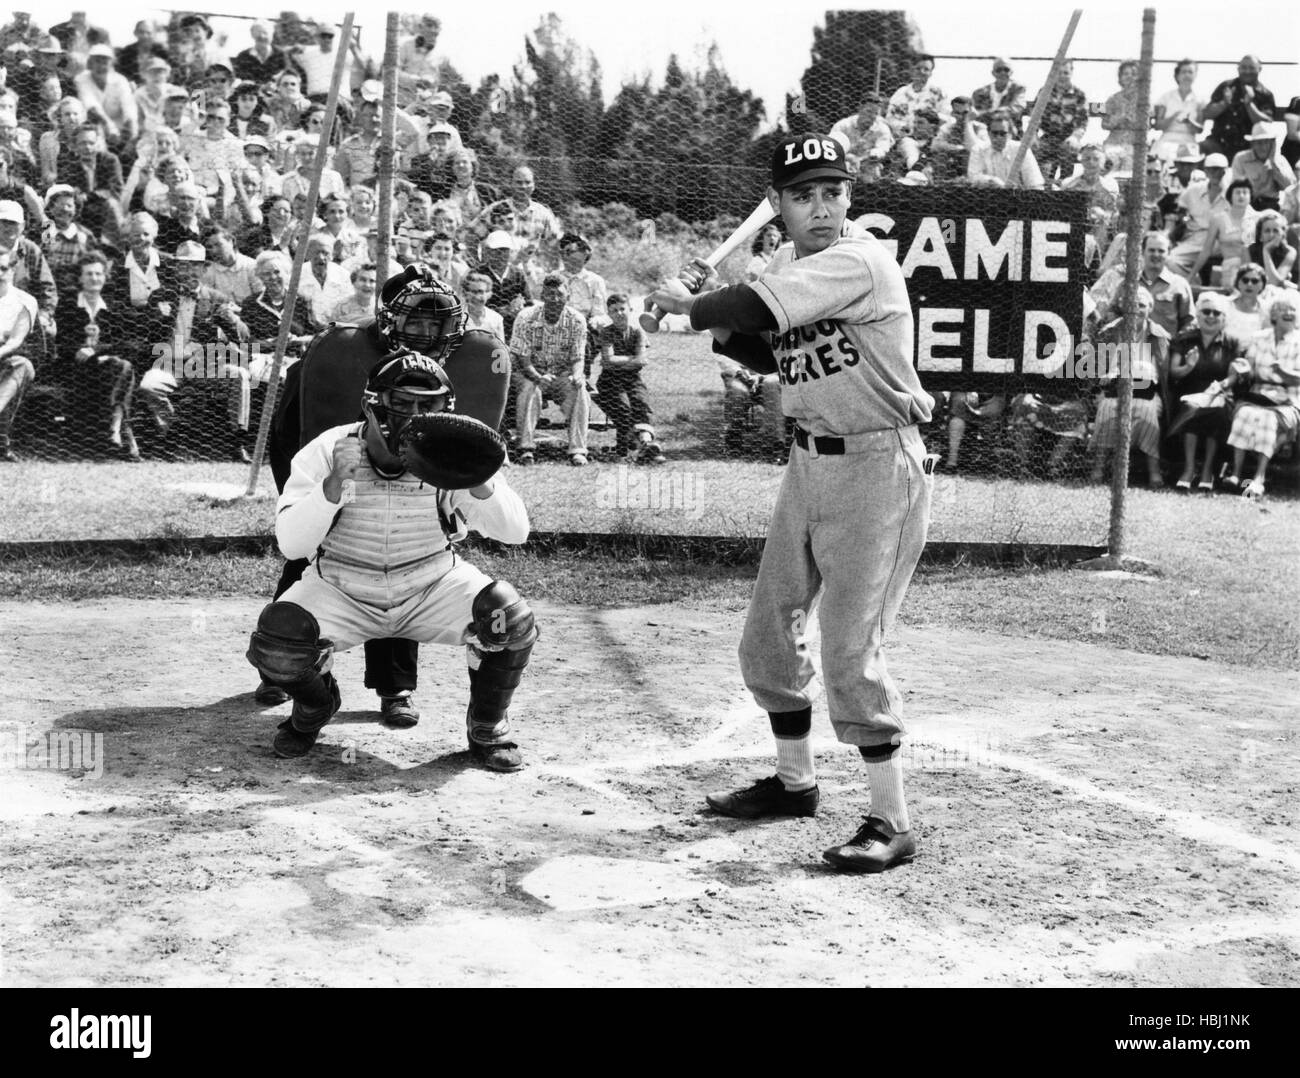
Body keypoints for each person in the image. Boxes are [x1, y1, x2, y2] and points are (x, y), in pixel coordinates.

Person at [647, 132, 934, 874]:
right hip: (807, 464)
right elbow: (768, 349)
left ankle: (892, 820)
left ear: (850, 198)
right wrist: (709, 318)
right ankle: (795, 782)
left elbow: (747, 304)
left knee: (847, 646)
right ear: (776, 205)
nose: (821, 206)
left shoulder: (861, 256)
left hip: (877, 465)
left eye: (833, 191)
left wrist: (696, 303)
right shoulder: (788, 266)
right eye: (803, 194)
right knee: (767, 639)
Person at [260, 266, 514, 737]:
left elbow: (511, 522)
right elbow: (289, 431)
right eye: (416, 321)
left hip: (416, 502)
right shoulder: (339, 352)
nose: (426, 332)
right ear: (389, 320)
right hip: (333, 470)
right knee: (308, 561)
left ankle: (395, 688)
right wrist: (322, 492)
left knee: (405, 559)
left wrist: (475, 484)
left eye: (436, 324)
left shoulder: (456, 372)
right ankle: (294, 673)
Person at [53, 251, 138, 459]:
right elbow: (58, 343)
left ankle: (114, 430)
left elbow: (129, 342)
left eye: (99, 274)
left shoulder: (113, 308)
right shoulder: (67, 305)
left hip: (108, 368)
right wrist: (80, 351)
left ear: (105, 277)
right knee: (124, 369)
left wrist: (98, 352)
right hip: (73, 369)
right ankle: (121, 433)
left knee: (122, 366)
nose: (94, 278)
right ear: (80, 278)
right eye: (89, 274)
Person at [1087, 285, 1168, 488]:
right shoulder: (1110, 331)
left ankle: (1154, 471)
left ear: (1150, 308)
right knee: (1107, 409)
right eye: (1131, 304)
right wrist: (1106, 376)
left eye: (1141, 305)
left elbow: (1164, 373)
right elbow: (1096, 368)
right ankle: (1098, 468)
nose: (1136, 309)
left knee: (1146, 412)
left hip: (1148, 392)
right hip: (1114, 391)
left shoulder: (1159, 335)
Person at [1221, 293, 1300, 498]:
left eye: (1292, 310)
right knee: (1244, 414)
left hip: (1288, 400)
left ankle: (1259, 478)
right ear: (1273, 314)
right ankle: (1236, 475)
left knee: (1267, 419)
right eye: (1283, 309)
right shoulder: (1259, 338)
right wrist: (1241, 369)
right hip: (1257, 395)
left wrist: (1282, 373)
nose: (1289, 313)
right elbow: (1250, 371)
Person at [510, 273, 591, 466]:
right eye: (550, 294)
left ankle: (578, 450)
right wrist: (538, 377)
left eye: (560, 294)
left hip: (561, 374)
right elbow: (523, 358)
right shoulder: (526, 317)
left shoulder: (577, 320)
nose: (555, 299)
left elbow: (578, 356)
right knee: (529, 390)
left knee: (579, 390)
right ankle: (526, 448)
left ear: (568, 296)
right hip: (529, 372)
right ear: (542, 295)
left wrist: (578, 375)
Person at [1167, 291, 1243, 491]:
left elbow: (1235, 375)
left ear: (1223, 318)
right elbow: (1174, 372)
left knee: (1216, 412)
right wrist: (1188, 367)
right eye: (1206, 312)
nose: (1211, 316)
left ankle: (1208, 469)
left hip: (1219, 394)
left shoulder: (1232, 343)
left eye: (1216, 313)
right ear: (1198, 316)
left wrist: (1221, 386)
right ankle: (1190, 468)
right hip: (1188, 392)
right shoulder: (1184, 339)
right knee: (1193, 407)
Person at [595, 291, 664, 463]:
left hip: (633, 379)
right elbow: (608, 360)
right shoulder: (607, 332)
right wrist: (632, 359)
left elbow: (641, 361)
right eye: (614, 310)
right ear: (609, 313)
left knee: (641, 403)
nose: (619, 313)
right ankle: (632, 449)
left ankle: (647, 444)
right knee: (623, 407)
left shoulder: (637, 332)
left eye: (622, 309)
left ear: (630, 310)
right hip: (609, 380)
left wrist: (620, 361)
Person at [1092, 230, 1194, 339]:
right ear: (1142, 252)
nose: (1156, 254)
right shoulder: (1127, 283)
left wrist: (1177, 350)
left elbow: (1189, 323)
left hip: (1162, 350)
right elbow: (1112, 313)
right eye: (1151, 250)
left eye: (1161, 251)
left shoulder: (1179, 285)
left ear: (1168, 253)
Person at [1202, 55, 1276, 161]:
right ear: (1238, 68)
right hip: (1218, 143)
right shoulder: (1226, 86)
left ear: (1259, 69)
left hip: (1249, 147)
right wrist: (1224, 103)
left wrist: (1249, 105)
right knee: (1202, 147)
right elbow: (1207, 114)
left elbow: (1266, 123)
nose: (1247, 71)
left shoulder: (1265, 94)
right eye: (1244, 67)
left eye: (1251, 68)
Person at [0, 245, 36, 462]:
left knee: (22, 366)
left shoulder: (25, 301)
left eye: (3, 268)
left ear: (13, 269)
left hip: (5, 359)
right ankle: (2, 445)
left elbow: (15, 340)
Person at [1190, 178, 1261, 288]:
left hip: (1254, 269)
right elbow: (1206, 251)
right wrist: (1191, 276)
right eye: (1237, 192)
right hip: (1229, 267)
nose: (1241, 196)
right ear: (1230, 196)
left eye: (1245, 192)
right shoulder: (1218, 219)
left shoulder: (1258, 219)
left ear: (1250, 196)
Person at [1029, 60, 1088, 185]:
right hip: (1048, 137)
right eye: (1058, 73)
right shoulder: (1044, 92)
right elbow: (1034, 117)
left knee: (1069, 149)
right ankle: (1041, 185)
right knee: (1035, 151)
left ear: (1071, 73)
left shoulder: (1079, 95)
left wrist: (1075, 137)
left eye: (1065, 73)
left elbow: (1082, 122)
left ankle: (1065, 185)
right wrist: (1033, 136)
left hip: (1068, 138)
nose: (1062, 76)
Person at [966, 109, 1044, 189]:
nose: (998, 138)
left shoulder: (1022, 150)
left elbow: (1035, 183)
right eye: (995, 133)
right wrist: (992, 181)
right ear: (988, 133)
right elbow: (973, 177)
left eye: (1003, 134)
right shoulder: (978, 150)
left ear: (1010, 134)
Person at [1230, 123, 1296, 212]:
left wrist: (1274, 164)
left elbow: (1291, 188)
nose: (1263, 147)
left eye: (1266, 142)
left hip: (1271, 206)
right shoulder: (1241, 159)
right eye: (1259, 143)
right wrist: (1260, 179)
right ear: (1252, 144)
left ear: (1273, 144)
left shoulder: (1280, 160)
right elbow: (1237, 189)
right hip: (1247, 206)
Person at [1152, 59, 1205, 162]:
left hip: (1189, 140)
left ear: (1195, 75)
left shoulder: (1199, 100)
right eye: (1183, 72)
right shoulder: (1166, 97)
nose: (1187, 75)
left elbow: (1200, 130)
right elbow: (1158, 125)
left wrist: (1190, 121)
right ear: (1177, 75)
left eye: (1190, 72)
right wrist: (1174, 116)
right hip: (1167, 139)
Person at [885, 54, 947, 138]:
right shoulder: (901, 93)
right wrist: (905, 128)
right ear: (912, 70)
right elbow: (890, 118)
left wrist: (929, 125)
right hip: (903, 137)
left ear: (931, 73)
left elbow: (946, 118)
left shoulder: (938, 94)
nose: (921, 72)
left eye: (926, 69)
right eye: (918, 68)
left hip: (930, 139)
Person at [1101, 59, 1145, 173]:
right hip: (1114, 142)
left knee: (1129, 163)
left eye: (1134, 74)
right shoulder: (1112, 99)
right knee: (1112, 160)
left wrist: (1133, 122)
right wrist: (1119, 118)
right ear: (1120, 77)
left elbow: (1147, 125)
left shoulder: (1144, 100)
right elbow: (1104, 124)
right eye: (1126, 74)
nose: (1129, 77)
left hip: (1134, 143)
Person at [828, 91, 893, 164]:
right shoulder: (843, 126)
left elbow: (882, 149)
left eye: (875, 113)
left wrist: (870, 156)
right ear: (860, 108)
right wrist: (848, 157)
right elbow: (830, 148)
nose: (872, 116)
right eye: (868, 111)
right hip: (842, 162)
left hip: (867, 164)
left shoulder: (882, 129)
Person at [971, 58, 1027, 136]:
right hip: (984, 129)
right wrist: (998, 113)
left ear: (1011, 72)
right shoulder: (980, 93)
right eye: (999, 70)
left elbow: (1016, 108)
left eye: (1006, 70)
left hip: (1009, 129)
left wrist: (988, 114)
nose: (1002, 73)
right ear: (993, 73)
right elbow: (975, 114)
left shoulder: (1017, 88)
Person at [1223, 262, 1277, 341]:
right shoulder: (1224, 304)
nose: (1249, 284)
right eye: (1245, 280)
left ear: (1262, 285)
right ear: (1238, 282)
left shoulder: (1267, 310)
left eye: (1254, 281)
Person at [1248, 210, 1299, 289]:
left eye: (1275, 231)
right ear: (1260, 236)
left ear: (1283, 234)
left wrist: (1266, 251)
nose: (1271, 235)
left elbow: (1274, 283)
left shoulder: (1290, 252)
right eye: (1267, 231)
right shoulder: (1250, 250)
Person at [461, 270, 504, 338]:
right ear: (465, 293)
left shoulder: (496, 319)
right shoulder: (458, 318)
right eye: (474, 292)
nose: (477, 297)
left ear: (488, 294)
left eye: (481, 292)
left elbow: (501, 347)